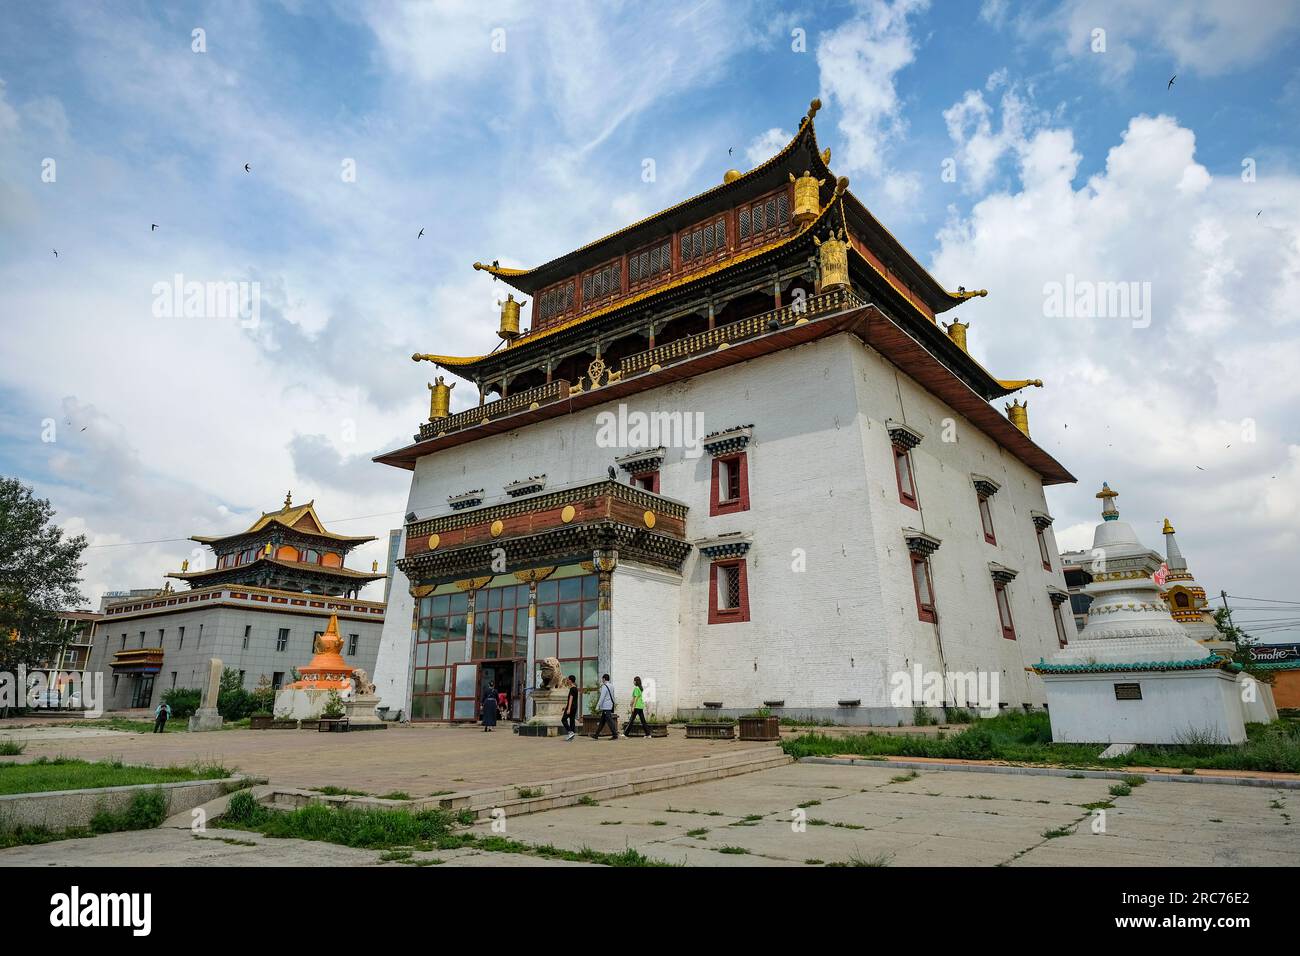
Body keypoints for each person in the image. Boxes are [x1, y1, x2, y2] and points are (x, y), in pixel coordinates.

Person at [591, 673, 619, 740]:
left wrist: (597, 706)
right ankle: (596, 735)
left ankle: (615, 735)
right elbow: (613, 696)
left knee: (609, 721)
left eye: (602, 679)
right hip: (609, 706)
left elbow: (602, 697)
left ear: (604, 679)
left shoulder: (604, 686)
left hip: (606, 707)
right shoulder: (611, 686)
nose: (602, 680)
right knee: (602, 722)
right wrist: (614, 703)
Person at [561, 675, 579, 741]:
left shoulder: (572, 689)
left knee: (563, 719)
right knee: (572, 720)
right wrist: (565, 707)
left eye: (568, 680)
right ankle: (572, 735)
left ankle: (570, 732)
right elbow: (572, 700)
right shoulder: (575, 688)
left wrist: (568, 708)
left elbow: (571, 699)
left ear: (571, 681)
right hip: (574, 707)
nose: (567, 681)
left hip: (571, 707)